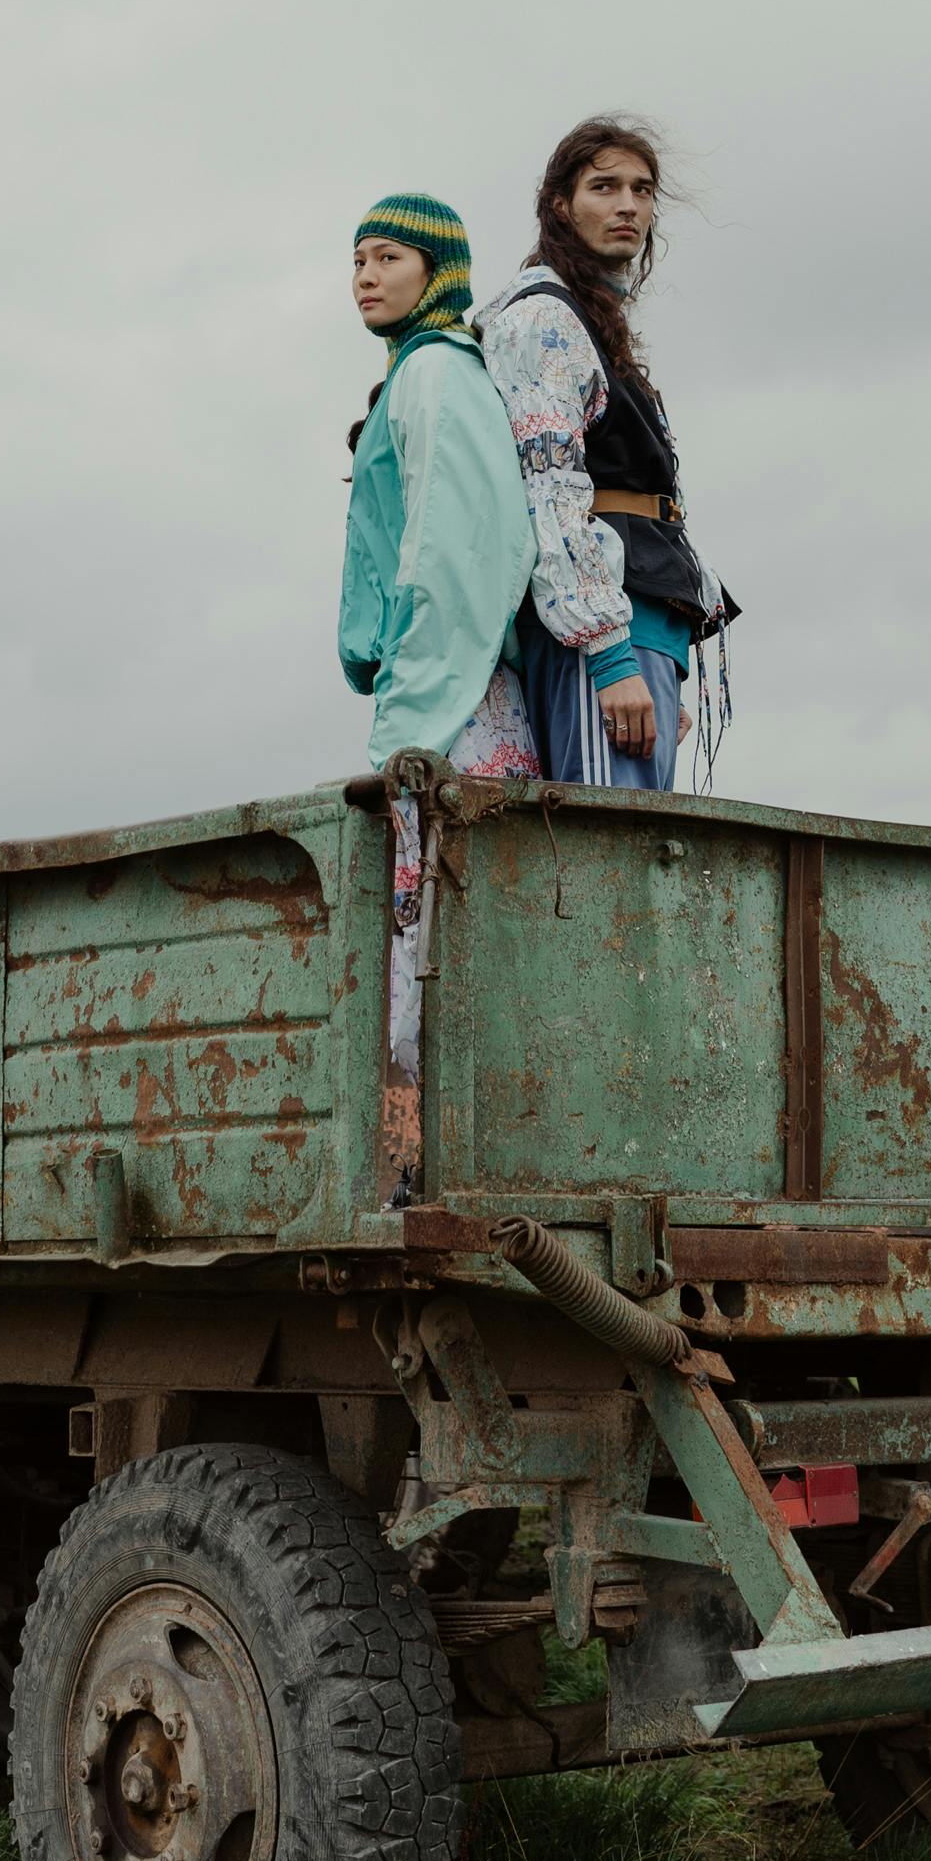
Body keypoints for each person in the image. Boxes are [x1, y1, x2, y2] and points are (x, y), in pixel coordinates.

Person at [336, 190, 538, 1193]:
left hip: (453, 697)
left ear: (438, 270)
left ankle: (427, 1169)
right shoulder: (414, 377)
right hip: (443, 686)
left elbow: (453, 551)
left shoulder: (433, 376)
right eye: (358, 260)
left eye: (389, 255)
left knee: (437, 928)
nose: (367, 275)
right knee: (436, 927)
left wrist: (415, 695)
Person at [478, 117, 734, 790]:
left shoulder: (594, 321)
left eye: (642, 190)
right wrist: (610, 657)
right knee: (607, 855)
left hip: (641, 616)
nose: (628, 205)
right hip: (597, 633)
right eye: (604, 186)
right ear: (559, 205)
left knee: (637, 860)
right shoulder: (542, 319)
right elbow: (549, 491)